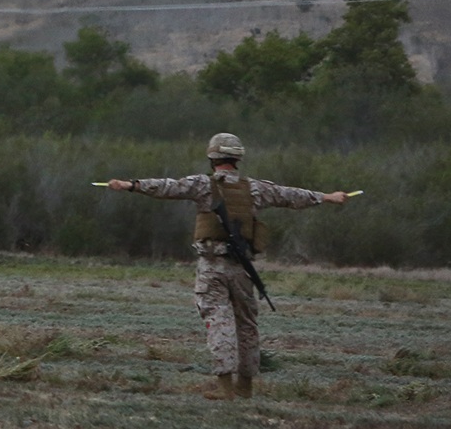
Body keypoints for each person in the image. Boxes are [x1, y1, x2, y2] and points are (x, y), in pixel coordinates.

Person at [104, 132, 353, 400]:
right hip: (243, 268)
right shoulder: (255, 188)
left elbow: (167, 187)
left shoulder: (202, 185)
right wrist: (327, 197)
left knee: (218, 319)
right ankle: (245, 388)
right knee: (246, 324)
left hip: (212, 266)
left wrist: (130, 185)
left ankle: (224, 388)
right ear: (238, 158)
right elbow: (290, 195)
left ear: (212, 157)